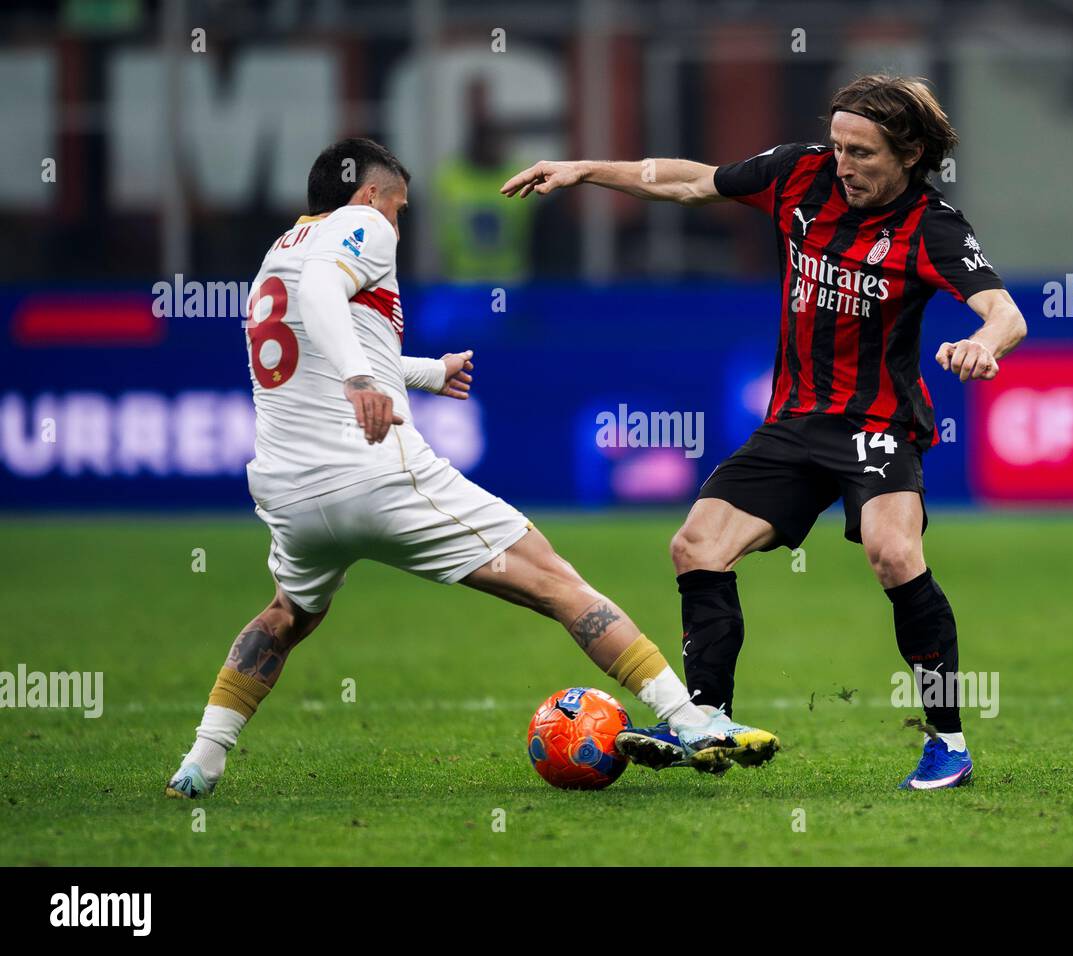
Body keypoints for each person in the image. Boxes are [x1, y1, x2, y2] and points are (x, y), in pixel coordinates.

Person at [165, 137, 778, 798]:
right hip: (373, 473)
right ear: (370, 194)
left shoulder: (278, 256)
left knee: (288, 614)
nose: (396, 223)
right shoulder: (363, 224)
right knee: (556, 581)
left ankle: (201, 760)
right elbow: (328, 301)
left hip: (290, 494)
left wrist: (424, 372)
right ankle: (689, 720)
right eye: (400, 207)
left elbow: (312, 337)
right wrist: (361, 379)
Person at [501, 75, 1028, 789]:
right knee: (695, 545)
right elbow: (690, 182)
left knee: (894, 554)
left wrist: (984, 345)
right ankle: (709, 717)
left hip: (876, 424)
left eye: (863, 152)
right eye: (839, 144)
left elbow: (1004, 311)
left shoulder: (932, 225)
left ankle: (947, 742)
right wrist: (587, 170)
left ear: (909, 153)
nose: (843, 163)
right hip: (794, 424)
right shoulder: (800, 173)